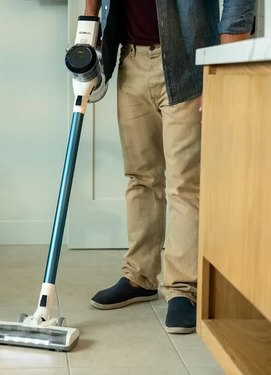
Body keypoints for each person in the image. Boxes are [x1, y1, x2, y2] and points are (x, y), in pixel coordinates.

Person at [85, 0, 255, 334]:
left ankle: (183, 290)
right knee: (140, 177)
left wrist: (223, 70)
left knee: (185, 183)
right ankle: (140, 275)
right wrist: (89, 27)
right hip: (129, 59)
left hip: (186, 62)